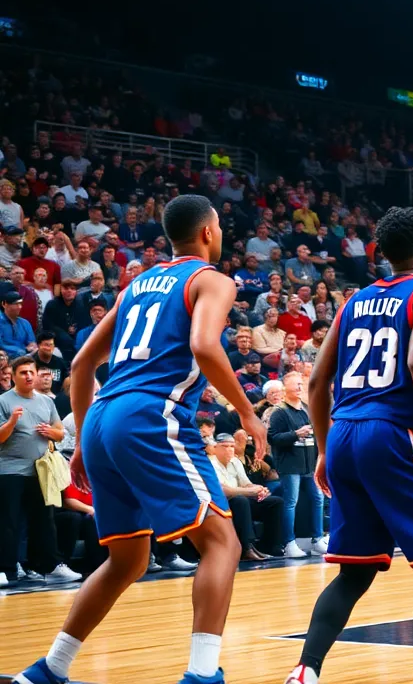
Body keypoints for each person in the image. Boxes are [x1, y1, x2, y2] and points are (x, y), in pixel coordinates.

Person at [14, 194, 267, 684]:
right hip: (152, 413)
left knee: (126, 559)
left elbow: (82, 364)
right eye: (218, 228)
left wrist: (83, 440)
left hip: (103, 417)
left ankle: (49, 668)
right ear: (208, 232)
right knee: (222, 543)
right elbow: (203, 345)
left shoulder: (136, 284)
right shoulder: (211, 279)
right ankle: (202, 675)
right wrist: (245, 411)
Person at [283, 206, 413, 684]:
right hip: (391, 433)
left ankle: (305, 671)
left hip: (344, 433)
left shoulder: (353, 301)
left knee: (355, 572)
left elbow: (316, 381)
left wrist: (326, 450)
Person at [0, 355, 78, 588]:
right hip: (10, 471)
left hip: (41, 470)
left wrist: (51, 433)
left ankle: (47, 567)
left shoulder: (46, 402)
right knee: (8, 522)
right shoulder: (3, 401)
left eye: (31, 372)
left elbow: (60, 432)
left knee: (44, 520)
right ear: (13, 376)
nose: (28, 376)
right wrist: (12, 421)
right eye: (23, 373)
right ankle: (5, 569)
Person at [269, 371, 324, 558]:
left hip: (310, 464)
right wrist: (295, 434)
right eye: (296, 384)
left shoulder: (307, 409)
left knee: (318, 499)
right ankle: (289, 542)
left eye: (301, 384)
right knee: (291, 502)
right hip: (290, 464)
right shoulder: (279, 412)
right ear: (286, 388)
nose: (300, 387)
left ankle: (317, 539)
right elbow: (273, 438)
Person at [208, 433, 283, 561]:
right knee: (241, 501)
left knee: (275, 502)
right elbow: (223, 491)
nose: (230, 449)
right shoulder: (210, 463)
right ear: (215, 448)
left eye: (232, 446)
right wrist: (250, 492)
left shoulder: (235, 461)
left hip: (240, 500)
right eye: (225, 446)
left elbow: (246, 483)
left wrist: (259, 489)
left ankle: (271, 546)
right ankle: (247, 548)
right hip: (220, 504)